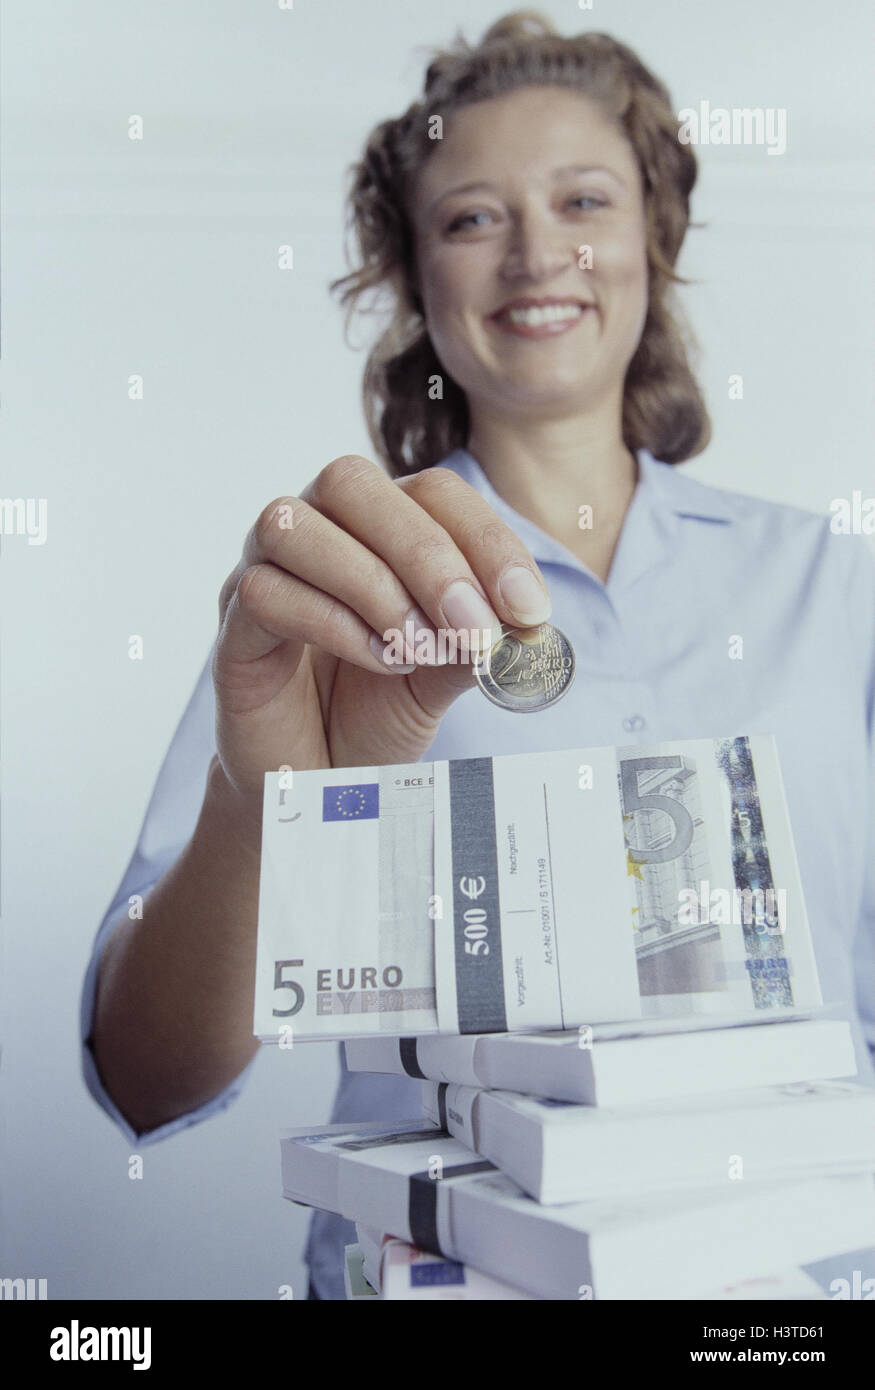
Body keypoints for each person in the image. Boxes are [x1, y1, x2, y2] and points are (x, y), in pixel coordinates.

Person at [81, 11, 875, 1300]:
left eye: (583, 198)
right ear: (412, 278)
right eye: (469, 217)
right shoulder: (330, 603)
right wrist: (268, 811)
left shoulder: (831, 580)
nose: (537, 250)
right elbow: (142, 1077)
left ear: (652, 240)